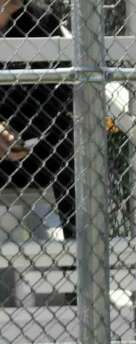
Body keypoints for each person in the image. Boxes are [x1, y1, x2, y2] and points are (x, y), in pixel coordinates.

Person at [0, 0, 75, 240]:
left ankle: (73, 250)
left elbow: (60, 92)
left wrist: (21, 136)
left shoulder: (39, 19)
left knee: (66, 135)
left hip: (37, 154)